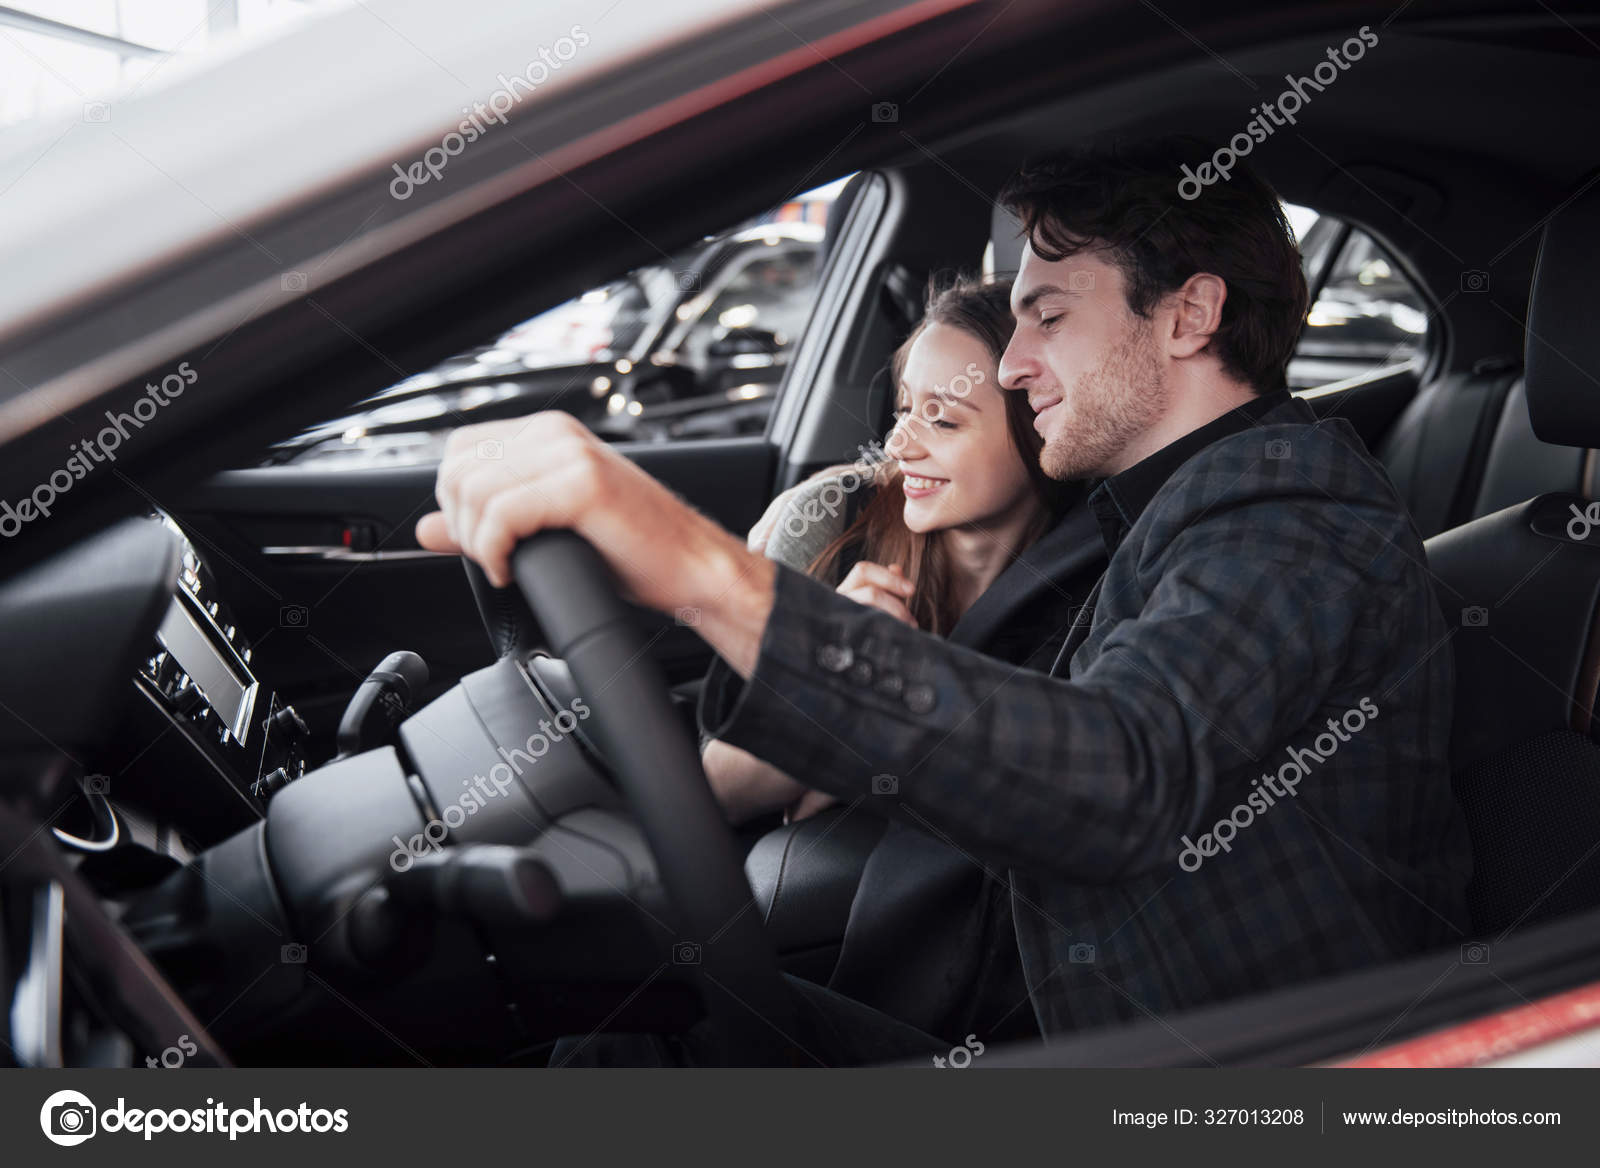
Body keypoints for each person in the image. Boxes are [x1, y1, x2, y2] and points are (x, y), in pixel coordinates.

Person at [417, 136, 1473, 1061]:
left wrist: (704, 571)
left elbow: (1123, 779)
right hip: (1087, 1040)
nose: (1010, 367)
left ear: (1190, 313)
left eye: (1047, 316)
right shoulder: (1164, 512)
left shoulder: (1287, 509)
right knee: (644, 1024)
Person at [704, 274, 1084, 827]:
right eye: (904, 410)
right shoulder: (828, 523)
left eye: (944, 419)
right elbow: (714, 790)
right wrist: (831, 681)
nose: (898, 445)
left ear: (1040, 424)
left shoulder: (1091, 568)